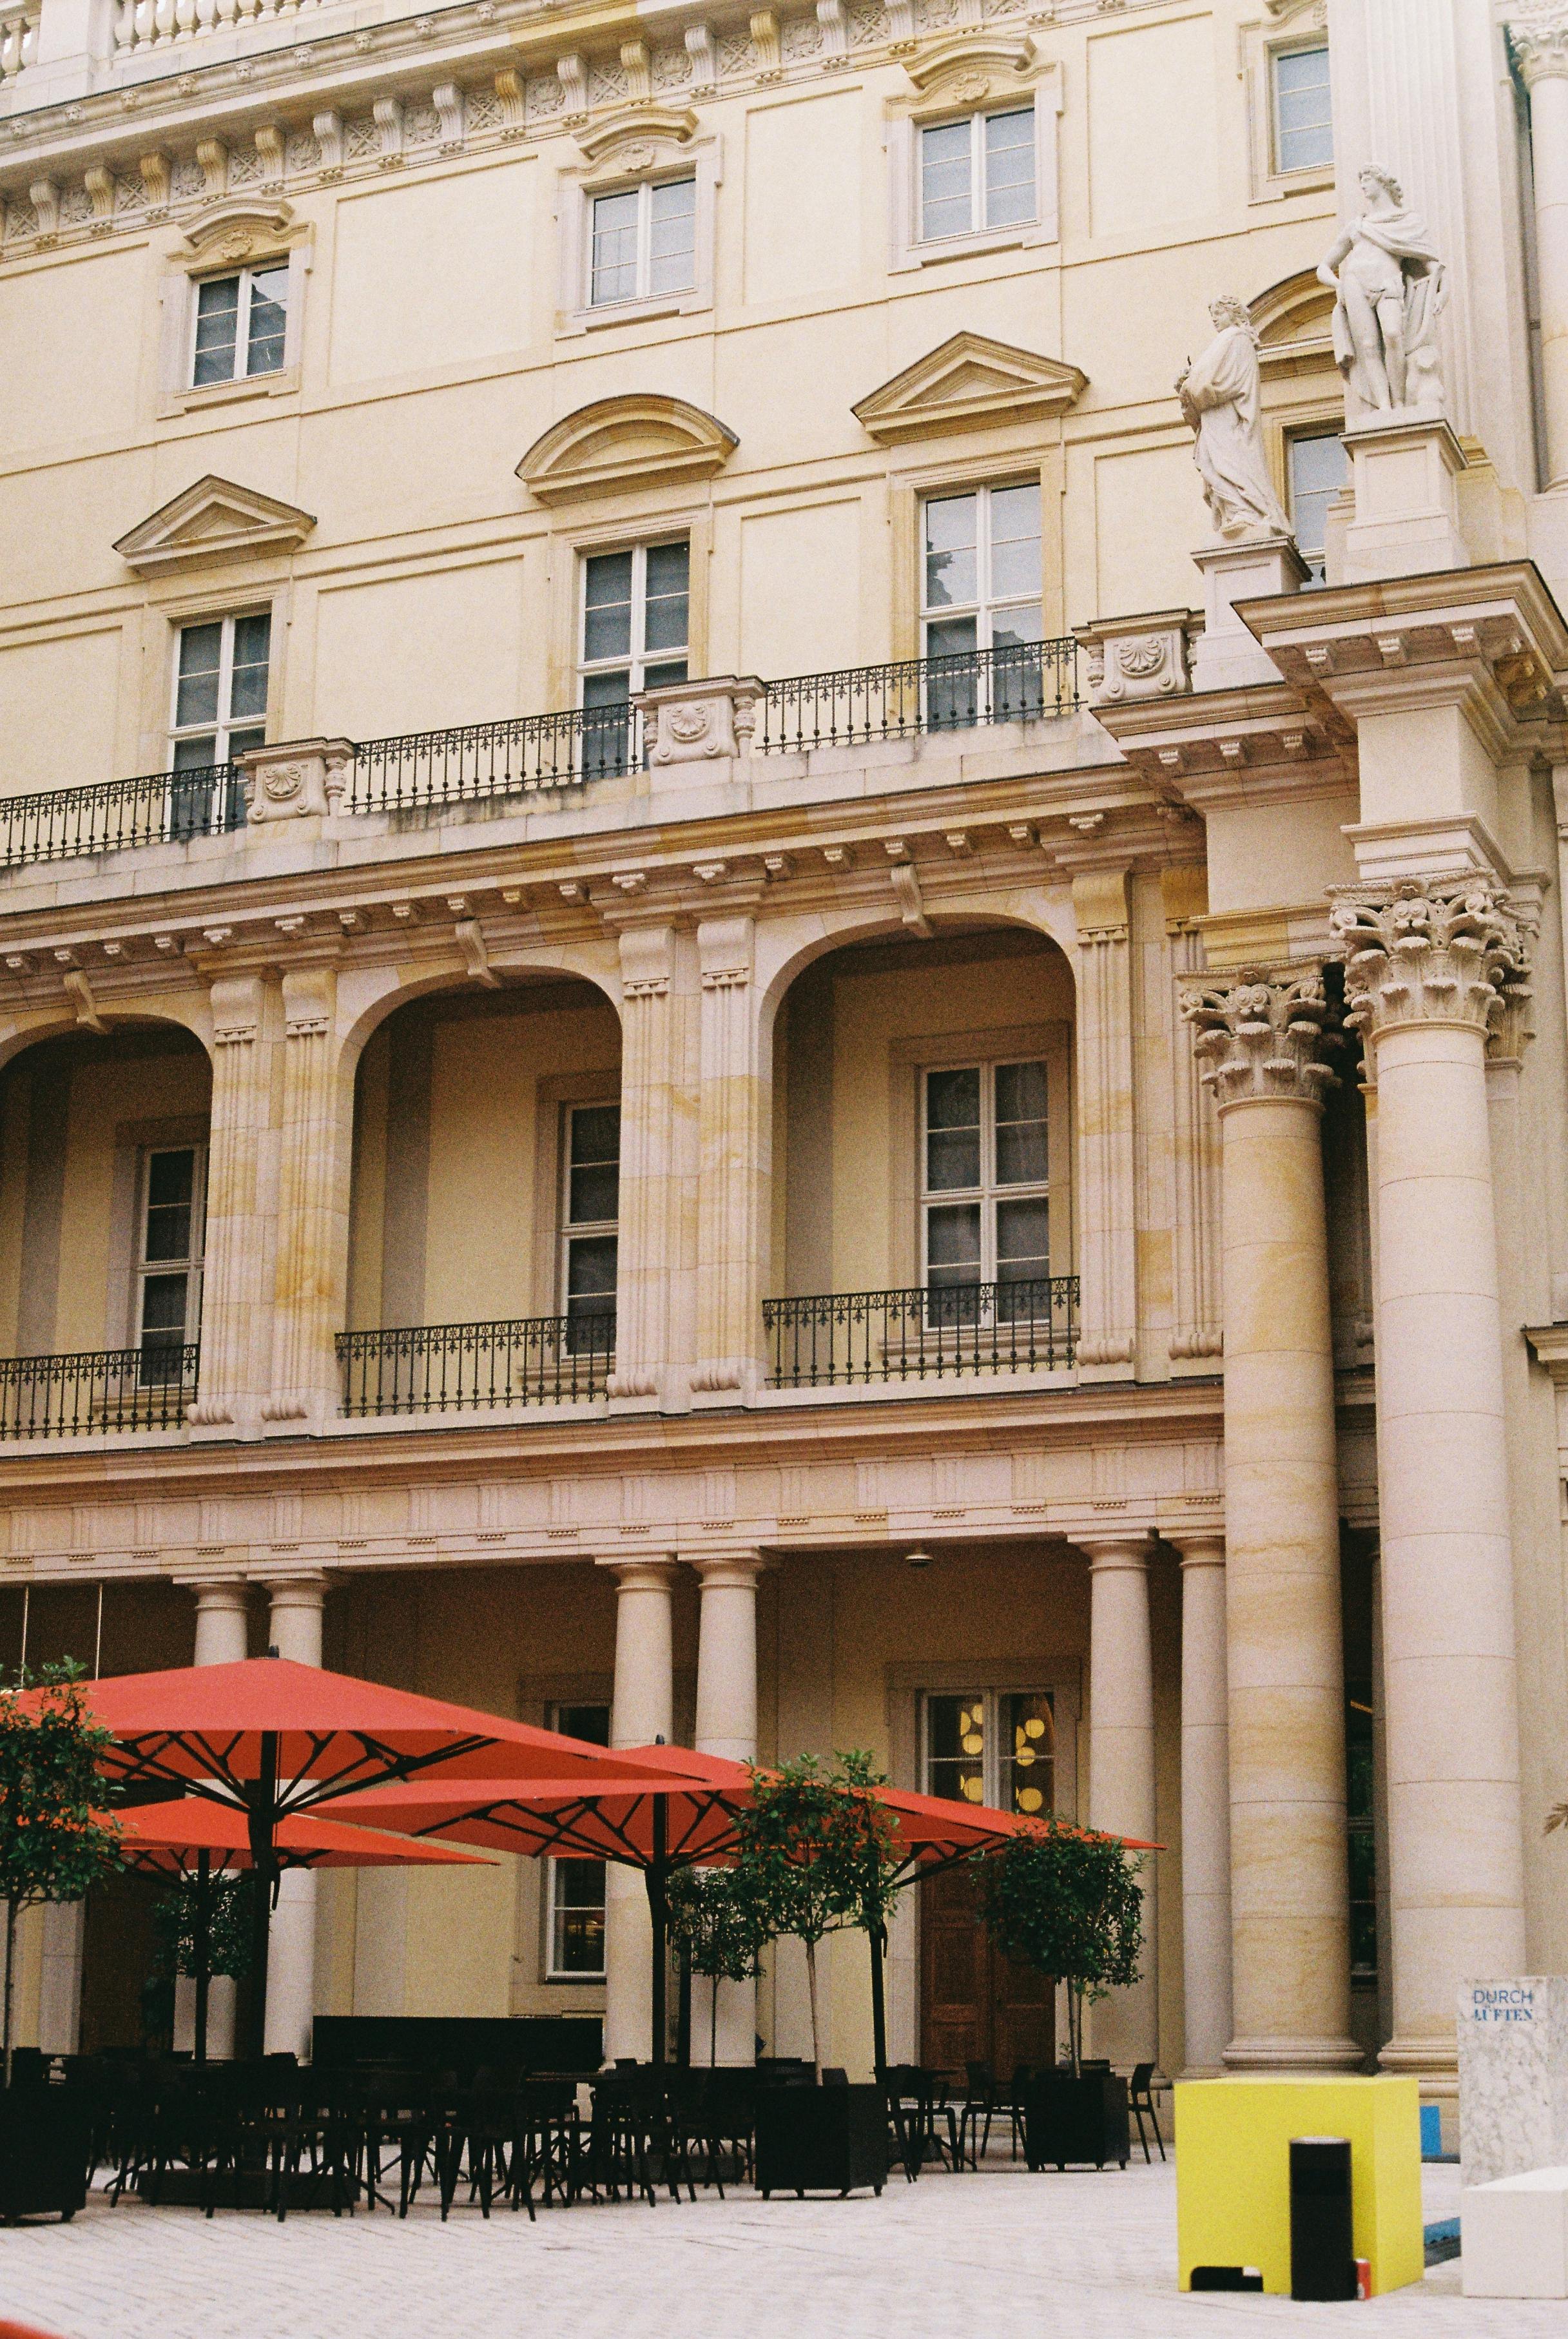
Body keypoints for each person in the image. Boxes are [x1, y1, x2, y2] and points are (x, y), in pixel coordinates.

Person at [1317, 163, 1447, 416]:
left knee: (1392, 335)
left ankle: (1399, 401)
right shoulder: (1357, 226)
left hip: (1388, 284)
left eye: (1367, 178)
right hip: (1355, 283)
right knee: (1367, 346)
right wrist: (1338, 284)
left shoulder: (1407, 221)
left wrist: (1443, 292)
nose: (1363, 184)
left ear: (1383, 182)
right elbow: (1324, 266)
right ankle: (1385, 407)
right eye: (1361, 179)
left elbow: (1434, 266)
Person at [1176, 295, 1291, 542]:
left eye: (1219, 313)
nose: (1215, 319)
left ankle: (1244, 510)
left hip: (1227, 419)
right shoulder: (1229, 341)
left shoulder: (1235, 338)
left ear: (1234, 314)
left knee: (1226, 465)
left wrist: (1189, 385)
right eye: (1213, 316)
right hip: (1215, 419)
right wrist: (1189, 384)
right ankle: (1236, 511)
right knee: (1211, 466)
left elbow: (1219, 382)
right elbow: (1206, 380)